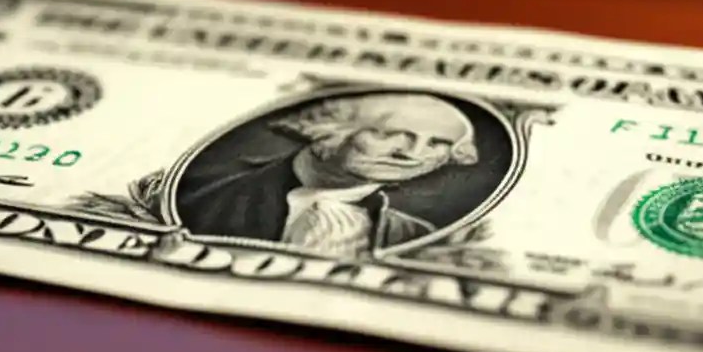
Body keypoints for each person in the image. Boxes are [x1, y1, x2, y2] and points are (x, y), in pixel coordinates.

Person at [177, 92, 478, 257]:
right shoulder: (205, 196)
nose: (411, 154)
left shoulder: (415, 235)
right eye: (390, 134)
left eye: (438, 144)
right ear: (327, 133)